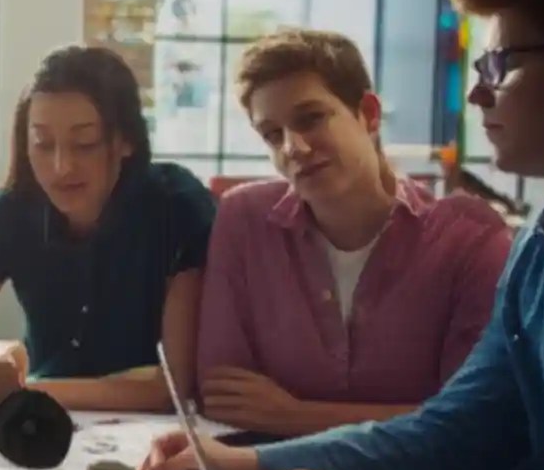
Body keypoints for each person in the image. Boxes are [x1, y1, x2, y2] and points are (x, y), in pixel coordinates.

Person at [135, 0, 544, 470]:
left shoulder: (483, 238)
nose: (479, 95)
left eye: (502, 64)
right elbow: (456, 430)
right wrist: (244, 462)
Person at [196, 29, 511, 438]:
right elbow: (224, 393)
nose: (293, 147)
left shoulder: (468, 237)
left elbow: (469, 423)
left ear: (369, 113)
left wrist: (291, 415)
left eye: (310, 119)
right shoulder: (245, 217)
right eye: (272, 134)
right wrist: (398, 415)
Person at [0, 45, 216, 413]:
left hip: (145, 428)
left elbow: (170, 387)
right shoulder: (12, 210)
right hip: (36, 419)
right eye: (43, 144)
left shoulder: (178, 205)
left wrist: (22, 390)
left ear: (126, 140)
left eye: (85, 144)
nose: (62, 167)